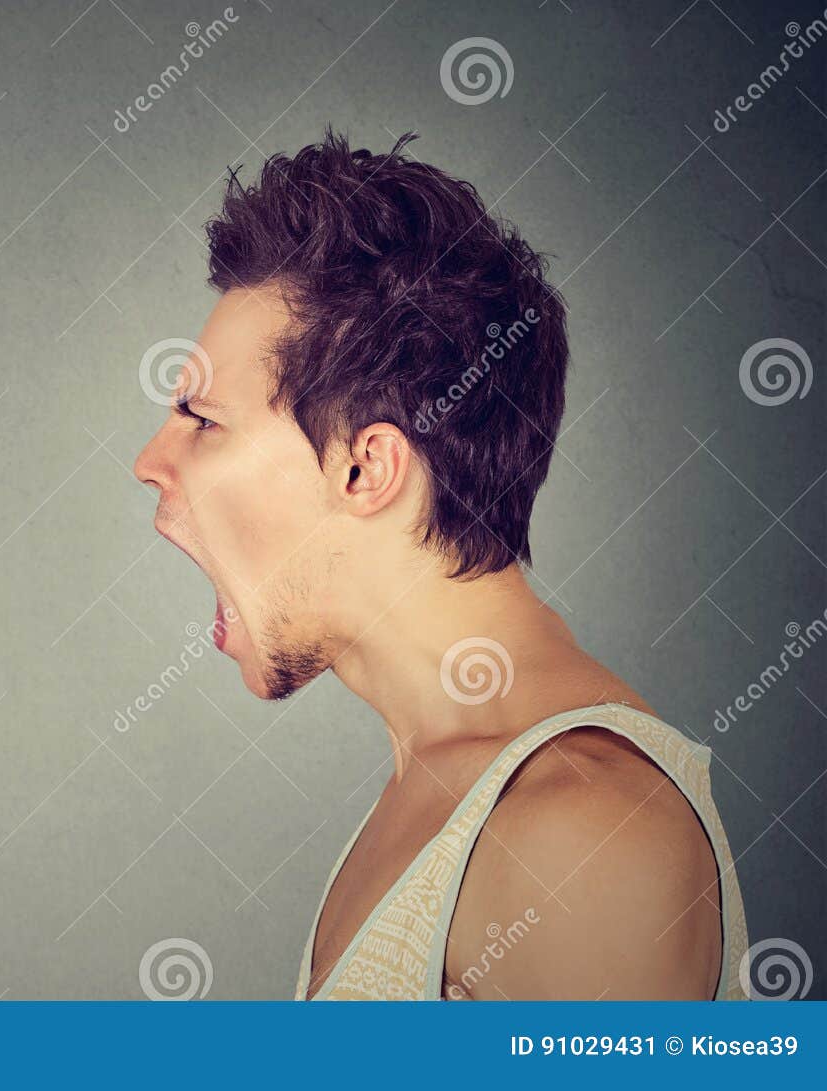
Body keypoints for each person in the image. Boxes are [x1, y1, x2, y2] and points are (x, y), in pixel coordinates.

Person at [133, 131, 748, 1000]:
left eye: (201, 419)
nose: (150, 461)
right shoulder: (439, 790)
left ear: (365, 469)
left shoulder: (580, 838)